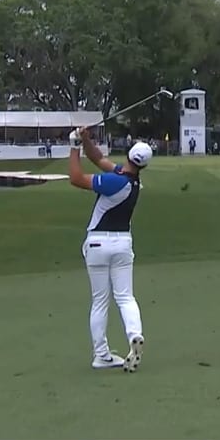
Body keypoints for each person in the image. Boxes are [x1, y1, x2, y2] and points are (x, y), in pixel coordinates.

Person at [67, 126, 151, 372]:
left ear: (127, 154)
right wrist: (85, 140)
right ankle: (135, 335)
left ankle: (101, 355)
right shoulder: (131, 181)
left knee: (100, 301)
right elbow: (97, 158)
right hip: (123, 244)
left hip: (97, 244)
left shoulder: (115, 180)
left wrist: (72, 146)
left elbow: (76, 178)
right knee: (125, 296)